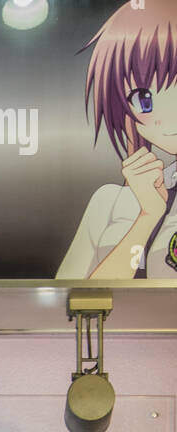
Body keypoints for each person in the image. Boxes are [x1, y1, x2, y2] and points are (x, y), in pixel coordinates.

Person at [57, 1, 177, 280]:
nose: (168, 117)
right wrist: (147, 217)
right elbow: (64, 306)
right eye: (144, 99)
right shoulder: (108, 202)